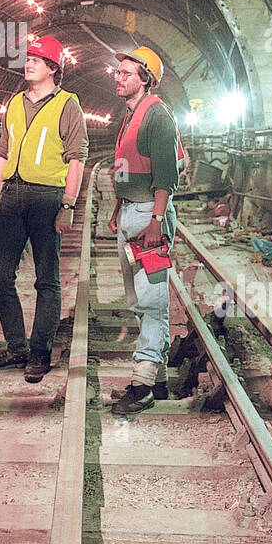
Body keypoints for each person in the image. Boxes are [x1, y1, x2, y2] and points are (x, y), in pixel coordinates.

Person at [0, 34, 88, 382]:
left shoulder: (68, 104)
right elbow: (2, 152)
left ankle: (40, 353)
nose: (28, 63)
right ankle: (16, 347)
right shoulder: (14, 103)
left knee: (46, 279)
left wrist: (68, 204)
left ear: (53, 68)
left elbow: (77, 159)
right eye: (28, 58)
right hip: (12, 195)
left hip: (46, 198)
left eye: (37, 59)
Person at [108, 47, 181, 415]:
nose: (117, 77)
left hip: (148, 217)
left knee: (152, 301)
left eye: (125, 73)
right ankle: (158, 377)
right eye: (117, 72)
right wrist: (117, 207)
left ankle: (142, 385)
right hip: (131, 214)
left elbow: (166, 176)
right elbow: (127, 167)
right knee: (138, 301)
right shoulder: (130, 115)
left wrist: (156, 221)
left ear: (145, 78)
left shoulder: (157, 117)